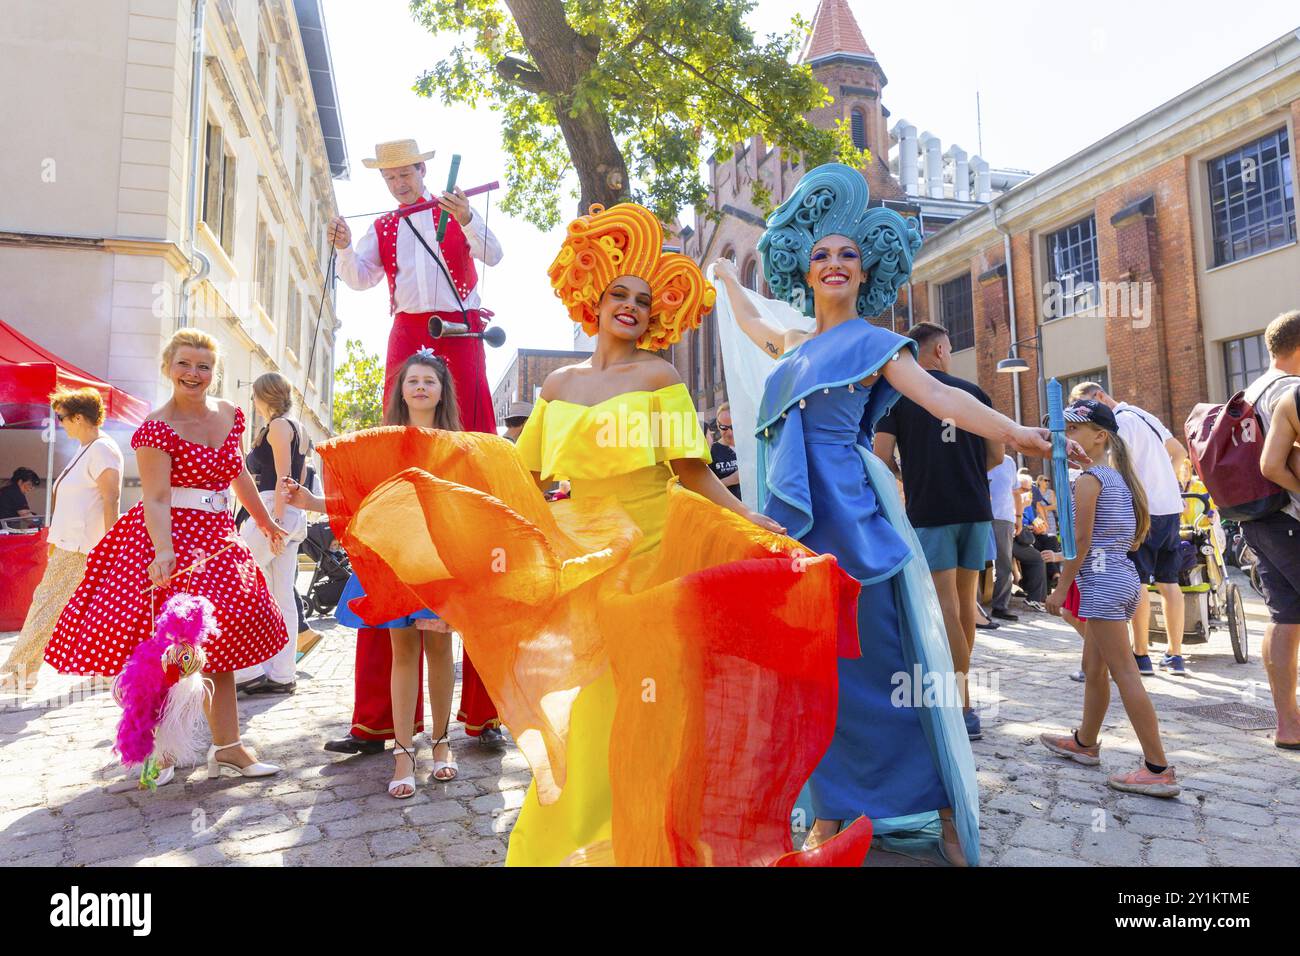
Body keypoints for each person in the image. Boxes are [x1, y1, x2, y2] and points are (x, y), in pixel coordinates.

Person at [307, 201, 866, 866]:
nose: (630, 306)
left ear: (654, 315)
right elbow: (523, 482)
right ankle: (581, 841)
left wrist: (750, 520)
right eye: (618, 294)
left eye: (642, 300)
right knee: (595, 713)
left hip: (658, 558)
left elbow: (691, 474)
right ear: (593, 300)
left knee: (656, 706)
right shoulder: (559, 384)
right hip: (588, 559)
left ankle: (651, 844)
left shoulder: (660, 376)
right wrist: (455, 532)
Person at [714, 162, 1084, 865]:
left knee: (888, 673)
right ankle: (832, 813)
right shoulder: (794, 349)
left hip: (853, 526)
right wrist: (728, 281)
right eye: (821, 254)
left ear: (865, 270)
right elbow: (755, 321)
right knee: (814, 680)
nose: (833, 263)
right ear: (805, 268)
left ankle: (939, 804)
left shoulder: (879, 346)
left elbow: (945, 400)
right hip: (796, 533)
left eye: (847, 255)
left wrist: (1014, 432)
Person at [43, 329, 286, 785]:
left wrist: (266, 522)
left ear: (214, 372)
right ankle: (160, 748)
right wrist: (164, 552)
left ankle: (228, 749)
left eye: (203, 366)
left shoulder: (232, 415)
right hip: (168, 538)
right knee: (168, 647)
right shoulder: (155, 427)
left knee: (222, 638)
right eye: (184, 364)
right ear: (168, 368)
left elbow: (237, 474)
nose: (194, 374)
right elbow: (154, 498)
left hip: (217, 537)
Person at [326, 138, 504, 754]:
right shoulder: (383, 225)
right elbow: (358, 280)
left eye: (407, 173)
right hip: (408, 334)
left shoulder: (458, 209)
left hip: (462, 332)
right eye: (391, 176)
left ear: (424, 171)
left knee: (472, 481)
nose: (400, 183)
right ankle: (378, 720)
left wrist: (468, 219)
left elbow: (495, 254)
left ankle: (483, 716)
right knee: (393, 480)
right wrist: (344, 248)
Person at [331, 351, 465, 796]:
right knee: (402, 652)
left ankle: (443, 745)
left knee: (442, 651)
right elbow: (356, 496)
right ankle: (404, 753)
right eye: (413, 381)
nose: (422, 386)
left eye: (430, 380)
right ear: (401, 391)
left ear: (442, 391)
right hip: (393, 559)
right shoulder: (380, 441)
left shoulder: (457, 444)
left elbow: (469, 503)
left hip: (439, 558)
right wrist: (306, 502)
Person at [1042, 399, 1179, 797]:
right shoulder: (1115, 477)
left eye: (1073, 430)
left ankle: (1158, 767)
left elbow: (1080, 543)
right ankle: (1085, 742)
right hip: (1120, 577)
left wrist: (1060, 588)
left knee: (1125, 674)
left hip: (1101, 583)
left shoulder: (1089, 481)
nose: (1065, 437)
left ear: (1099, 436)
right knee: (1095, 667)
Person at [874, 321, 1001, 741]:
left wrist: (911, 478)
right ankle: (961, 695)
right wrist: (964, 472)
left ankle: (961, 704)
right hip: (976, 507)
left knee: (944, 604)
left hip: (931, 509)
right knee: (968, 603)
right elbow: (997, 454)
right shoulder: (975, 393)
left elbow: (880, 456)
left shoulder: (898, 398)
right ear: (943, 350)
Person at [2, 389, 122, 688]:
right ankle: (102, 667)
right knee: (83, 607)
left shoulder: (102, 449)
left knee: (47, 602)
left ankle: (22, 670)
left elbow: (112, 500)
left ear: (79, 417)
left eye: (63, 418)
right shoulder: (89, 448)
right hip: (73, 543)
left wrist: (110, 547)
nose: (61, 424)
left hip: (83, 546)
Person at [1070, 381, 1187, 675]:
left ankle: (1141, 654)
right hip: (1170, 506)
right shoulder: (1144, 415)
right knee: (1169, 582)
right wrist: (1164, 484)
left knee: (1138, 579)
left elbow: (1115, 463)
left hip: (1142, 507)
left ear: (1098, 397)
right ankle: (1175, 654)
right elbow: (1179, 452)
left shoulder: (1117, 424)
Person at [232, 373, 309, 696]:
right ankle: (281, 673)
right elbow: (299, 480)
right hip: (290, 513)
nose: (252, 401)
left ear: (264, 396)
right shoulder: (298, 428)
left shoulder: (278, 427)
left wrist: (274, 521)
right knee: (281, 596)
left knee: (235, 580)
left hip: (274, 509)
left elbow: (284, 478)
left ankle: (245, 670)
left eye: (254, 395)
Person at [1245, 309, 1300, 750]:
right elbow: (1282, 462)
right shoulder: (1289, 390)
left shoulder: (1251, 390)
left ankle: (1287, 722)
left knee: (1283, 618)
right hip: (1290, 517)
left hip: (1258, 518)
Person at [987, 454, 1021, 622]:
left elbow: (1016, 492)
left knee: (1004, 564)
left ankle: (1000, 607)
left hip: (1005, 518)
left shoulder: (1009, 461)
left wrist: (1019, 517)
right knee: (974, 564)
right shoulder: (977, 453)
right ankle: (973, 607)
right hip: (980, 516)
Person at [707, 402, 742, 499]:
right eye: (724, 428)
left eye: (732, 427)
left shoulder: (750, 448)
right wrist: (731, 479)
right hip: (727, 511)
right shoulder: (712, 451)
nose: (730, 432)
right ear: (718, 425)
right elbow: (706, 489)